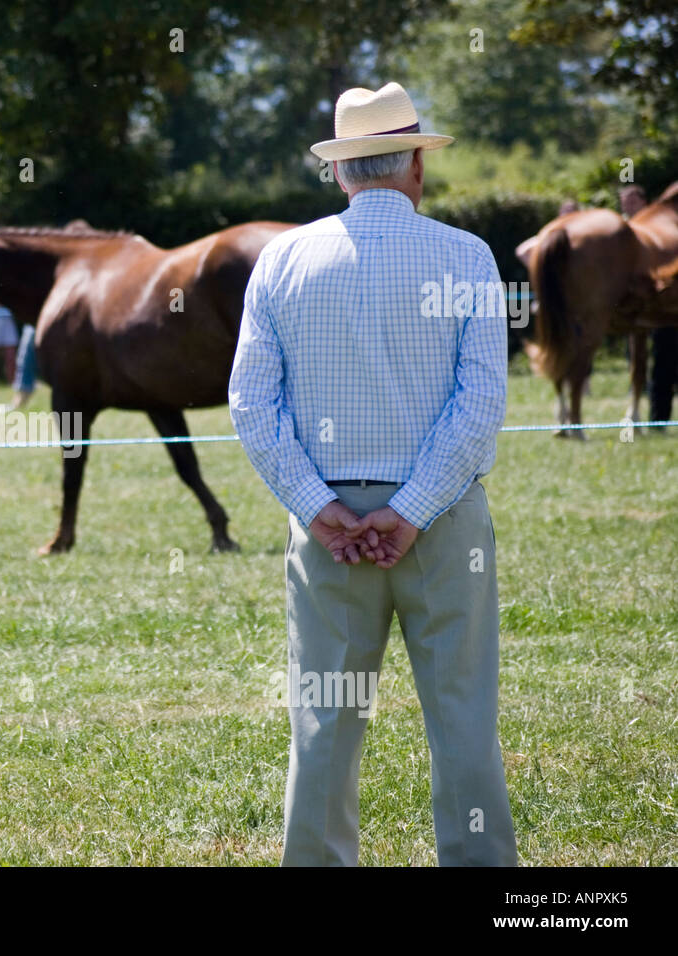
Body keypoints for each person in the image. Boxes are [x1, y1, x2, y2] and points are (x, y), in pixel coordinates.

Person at [229, 82, 517, 866]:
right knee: (462, 717)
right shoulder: (467, 256)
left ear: (342, 172)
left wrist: (319, 508)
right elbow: (481, 402)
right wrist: (416, 508)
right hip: (445, 522)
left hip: (330, 534)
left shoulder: (283, 260)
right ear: (417, 164)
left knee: (325, 723)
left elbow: (251, 404)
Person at [620, 186, 676, 428]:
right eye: (625, 201)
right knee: (656, 361)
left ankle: (656, 417)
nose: (628, 205)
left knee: (662, 360)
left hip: (663, 307)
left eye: (633, 200)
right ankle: (655, 417)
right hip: (653, 308)